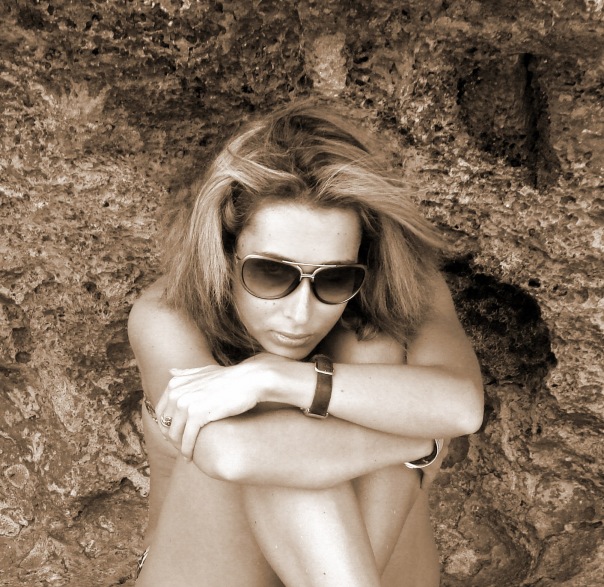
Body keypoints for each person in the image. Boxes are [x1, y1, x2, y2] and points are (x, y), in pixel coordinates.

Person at [128, 102, 483, 587]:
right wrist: (419, 438)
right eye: (271, 273)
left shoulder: (400, 292)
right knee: (271, 428)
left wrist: (274, 376)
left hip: (371, 569)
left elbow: (462, 408)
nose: (300, 314)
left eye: (335, 278)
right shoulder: (167, 314)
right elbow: (234, 453)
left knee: (372, 348)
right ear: (225, 251)